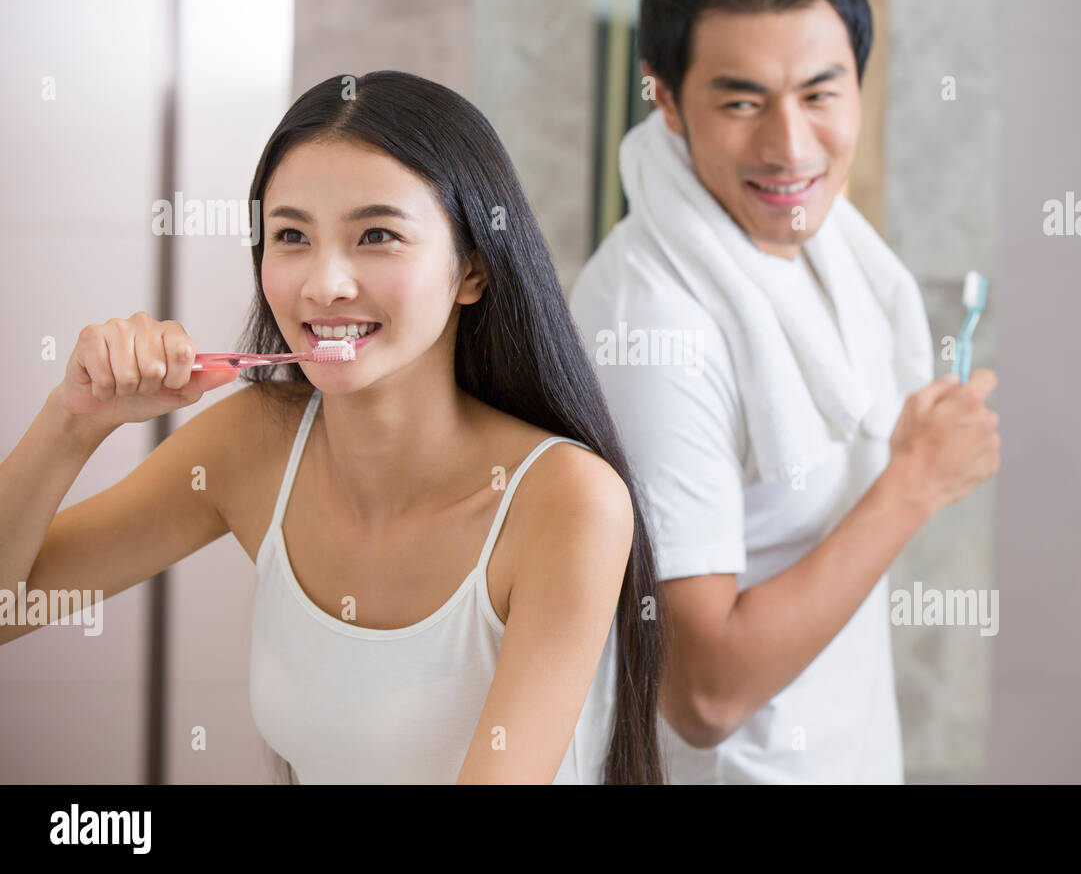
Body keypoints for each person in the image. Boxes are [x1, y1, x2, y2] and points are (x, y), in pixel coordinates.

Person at [0, 71, 665, 785]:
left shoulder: (567, 501)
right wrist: (73, 420)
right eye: (291, 235)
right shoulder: (251, 444)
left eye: (377, 235)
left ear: (471, 269)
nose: (324, 285)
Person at [568, 0, 1000, 783]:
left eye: (819, 94)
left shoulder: (824, 247)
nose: (791, 147)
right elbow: (702, 694)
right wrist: (914, 483)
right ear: (666, 100)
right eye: (741, 102)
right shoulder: (653, 323)